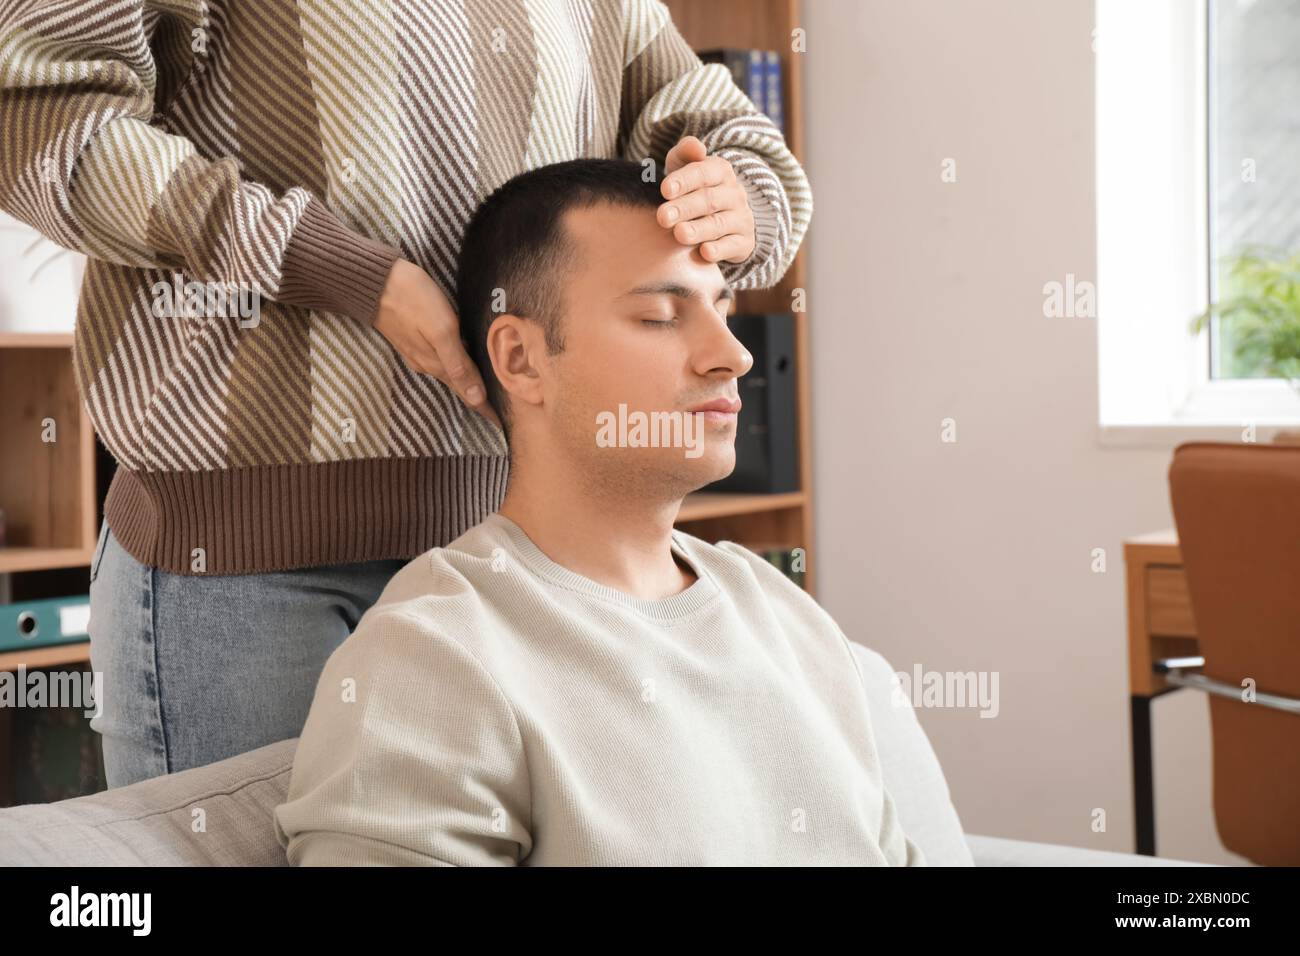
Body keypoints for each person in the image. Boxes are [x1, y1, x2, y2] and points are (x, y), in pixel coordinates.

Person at [0, 0, 811, 787]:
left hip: (521, 552)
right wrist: (334, 267)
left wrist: (736, 201)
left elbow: (730, 134)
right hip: (252, 569)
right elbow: (31, 119)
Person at [273, 159, 920, 866]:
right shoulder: (435, 657)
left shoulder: (788, 618)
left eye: (724, 311)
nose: (732, 356)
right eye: (660, 317)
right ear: (520, 359)